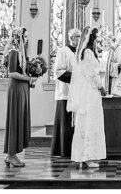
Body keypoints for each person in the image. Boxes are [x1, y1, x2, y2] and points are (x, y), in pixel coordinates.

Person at [67, 26, 107, 168]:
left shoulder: (81, 52)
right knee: (90, 122)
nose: (96, 42)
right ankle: (88, 157)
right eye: (95, 39)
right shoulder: (88, 52)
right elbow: (92, 74)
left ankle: (84, 155)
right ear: (90, 39)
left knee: (85, 122)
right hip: (90, 91)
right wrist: (101, 87)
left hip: (86, 90)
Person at [3, 27, 36, 167]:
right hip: (16, 89)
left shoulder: (21, 53)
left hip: (22, 88)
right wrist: (28, 79)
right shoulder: (14, 52)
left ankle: (13, 154)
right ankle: (10, 155)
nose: (27, 39)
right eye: (25, 36)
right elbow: (11, 73)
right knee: (15, 120)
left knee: (20, 119)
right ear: (19, 37)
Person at [51, 28, 81, 158]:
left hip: (78, 92)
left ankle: (75, 149)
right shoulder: (63, 51)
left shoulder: (81, 53)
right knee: (65, 123)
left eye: (80, 36)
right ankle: (64, 150)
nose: (80, 39)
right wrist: (77, 76)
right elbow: (58, 72)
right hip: (65, 92)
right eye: (78, 37)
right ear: (71, 38)